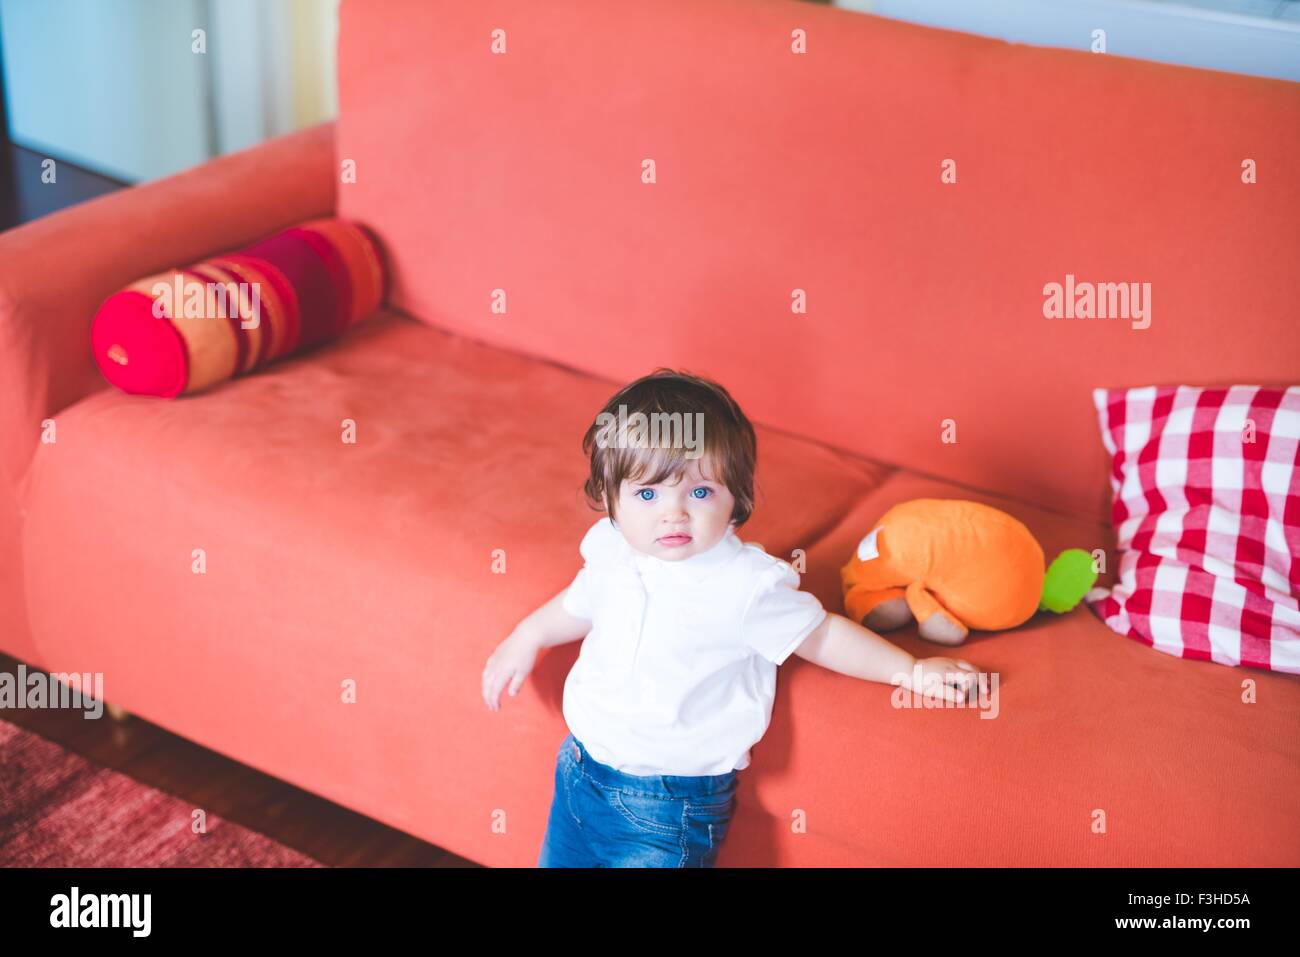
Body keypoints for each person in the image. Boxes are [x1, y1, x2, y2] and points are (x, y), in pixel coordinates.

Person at [482, 368, 985, 867]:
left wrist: (911, 672)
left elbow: (823, 634)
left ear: (736, 500)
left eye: (700, 493)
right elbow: (581, 601)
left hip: (667, 807)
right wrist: (528, 634)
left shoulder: (745, 585)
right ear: (611, 501)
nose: (673, 513)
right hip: (578, 772)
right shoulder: (614, 551)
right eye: (647, 494)